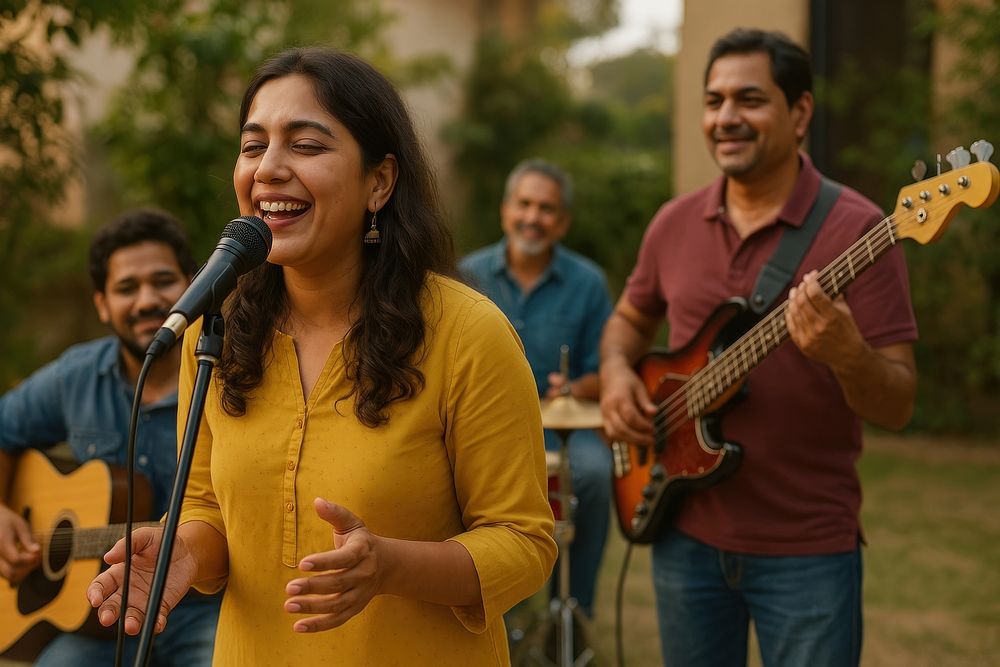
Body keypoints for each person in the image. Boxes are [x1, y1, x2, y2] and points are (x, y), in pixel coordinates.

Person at [87, 47, 557, 666]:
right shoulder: (216, 328)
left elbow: (524, 543)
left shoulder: (468, 333)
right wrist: (185, 552)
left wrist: (390, 566)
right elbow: (205, 507)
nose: (269, 169)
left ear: (380, 182)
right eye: (254, 146)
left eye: (306, 145)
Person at [598, 28, 918, 666]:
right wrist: (614, 376)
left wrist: (848, 353)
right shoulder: (674, 221)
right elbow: (628, 322)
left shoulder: (863, 231)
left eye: (749, 100)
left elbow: (900, 403)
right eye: (714, 101)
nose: (726, 118)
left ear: (799, 113)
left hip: (807, 550)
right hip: (682, 532)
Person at [0, 208, 220, 666]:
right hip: (96, 615)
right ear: (101, 304)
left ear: (192, 286)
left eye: (163, 281)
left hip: (204, 609)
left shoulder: (228, 376)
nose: (146, 300)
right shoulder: (76, 376)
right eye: (126, 288)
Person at [460, 158, 612, 620]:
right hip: (483, 430)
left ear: (562, 221)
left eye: (546, 209)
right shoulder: (467, 274)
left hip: (564, 429)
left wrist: (578, 386)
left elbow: (606, 370)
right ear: (506, 210)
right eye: (524, 204)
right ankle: (493, 601)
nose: (533, 217)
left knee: (595, 474)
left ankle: (573, 610)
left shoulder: (588, 283)